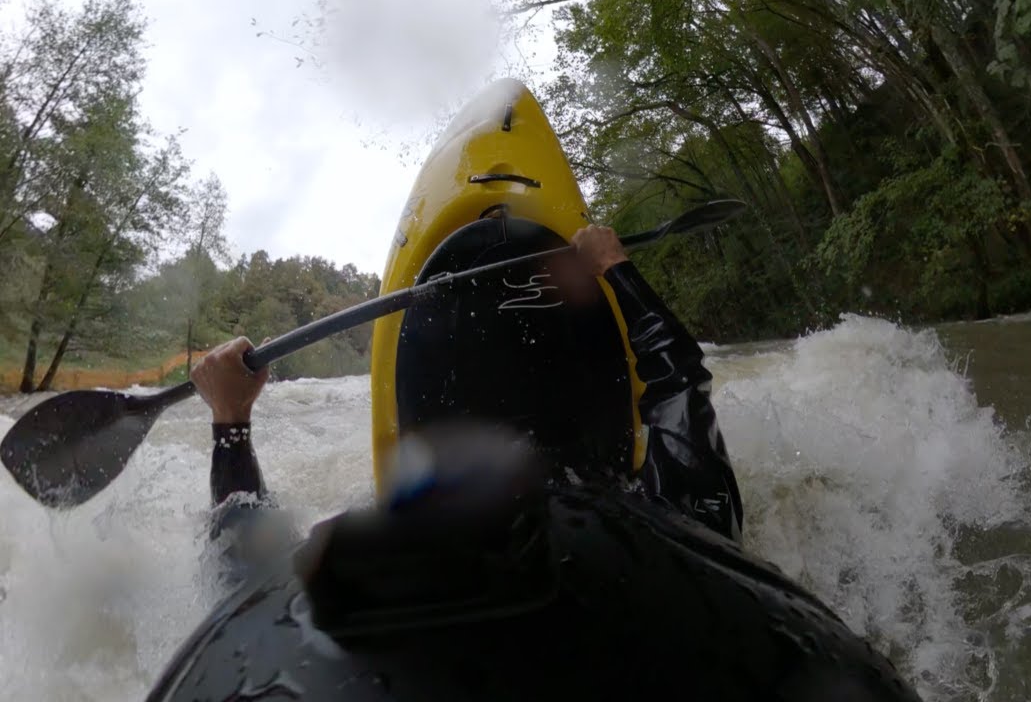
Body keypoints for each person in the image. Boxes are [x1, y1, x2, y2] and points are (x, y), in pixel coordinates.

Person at [191, 224, 744, 570]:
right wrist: (614, 268)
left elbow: (246, 577)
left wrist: (231, 417)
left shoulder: (379, 596)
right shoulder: (685, 545)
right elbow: (679, 382)